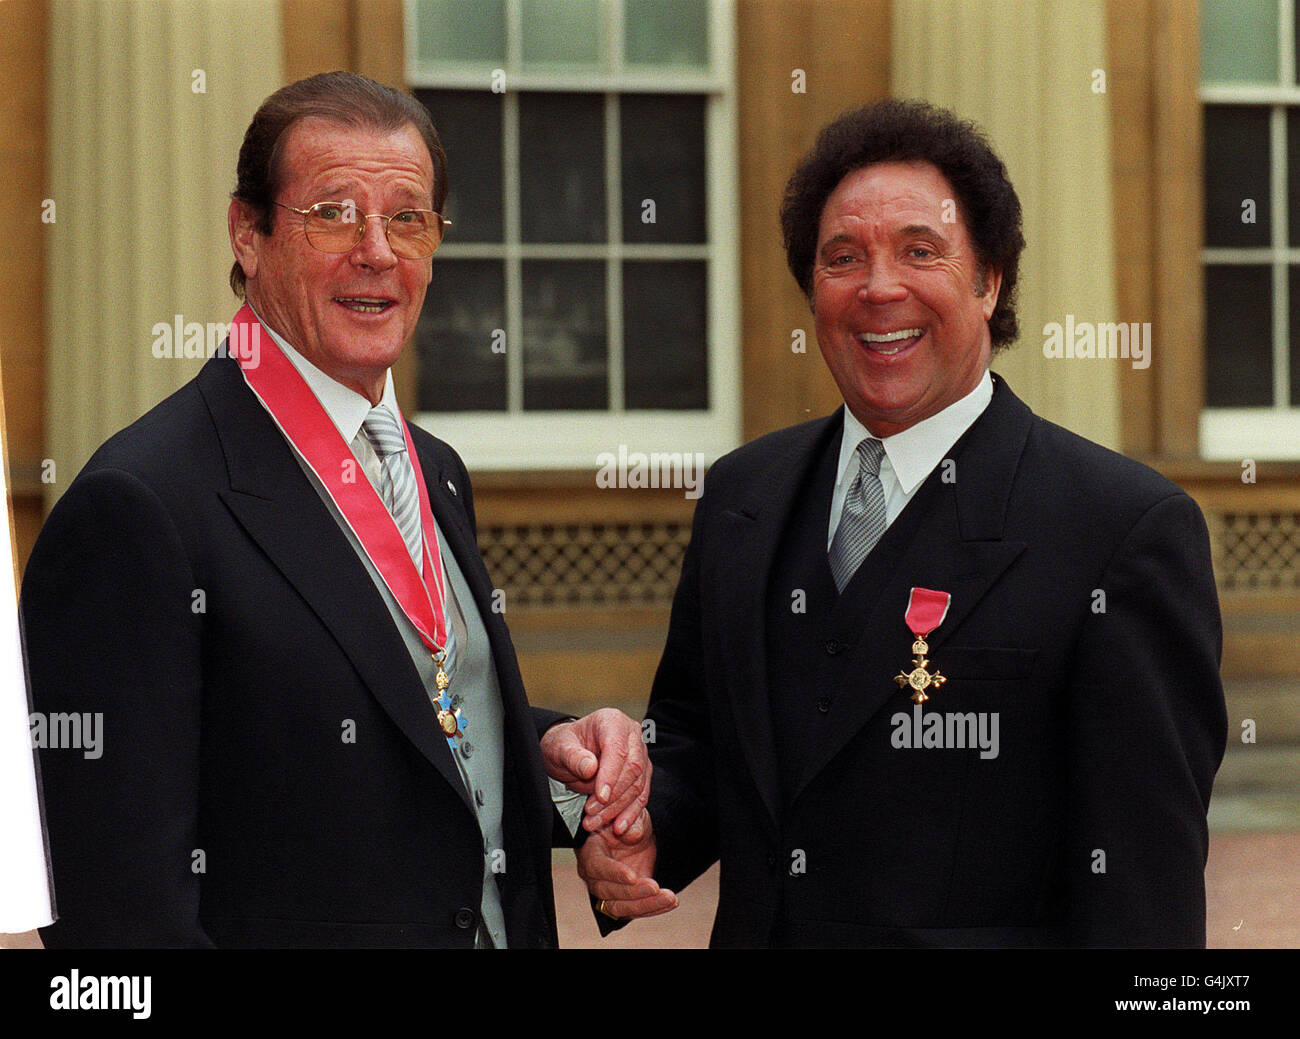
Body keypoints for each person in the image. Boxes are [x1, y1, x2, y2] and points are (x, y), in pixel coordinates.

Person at [578, 99, 1228, 948]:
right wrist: (639, 826)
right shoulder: (746, 497)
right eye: (844, 257)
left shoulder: (1123, 532)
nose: (880, 287)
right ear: (813, 289)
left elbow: (1144, 897)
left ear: (990, 280)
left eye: (920, 252)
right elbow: (703, 743)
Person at [21, 71, 647, 949]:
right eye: (333, 213)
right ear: (248, 233)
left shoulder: (436, 470)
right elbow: (111, 912)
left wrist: (549, 751)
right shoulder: (140, 506)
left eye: (408, 218)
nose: (377, 251)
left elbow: (393, 719)